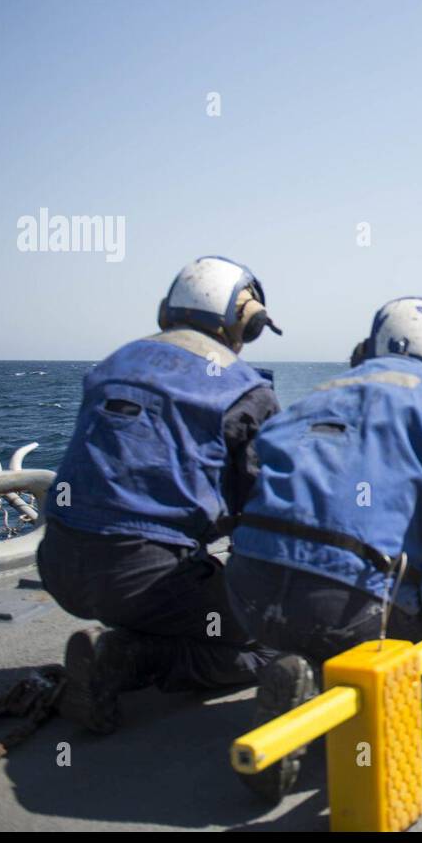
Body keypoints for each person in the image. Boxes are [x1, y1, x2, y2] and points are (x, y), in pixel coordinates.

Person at [226, 297, 422, 802]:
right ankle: (316, 710)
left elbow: (248, 474)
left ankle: (307, 674)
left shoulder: (318, 394)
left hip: (249, 596)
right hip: (353, 606)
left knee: (314, 631)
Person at [38, 256, 282, 734]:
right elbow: (262, 518)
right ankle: (130, 660)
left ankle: (134, 631)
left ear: (166, 311)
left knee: (179, 589)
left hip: (58, 565)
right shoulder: (246, 391)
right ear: (245, 322)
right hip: (143, 580)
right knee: (274, 640)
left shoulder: (114, 364)